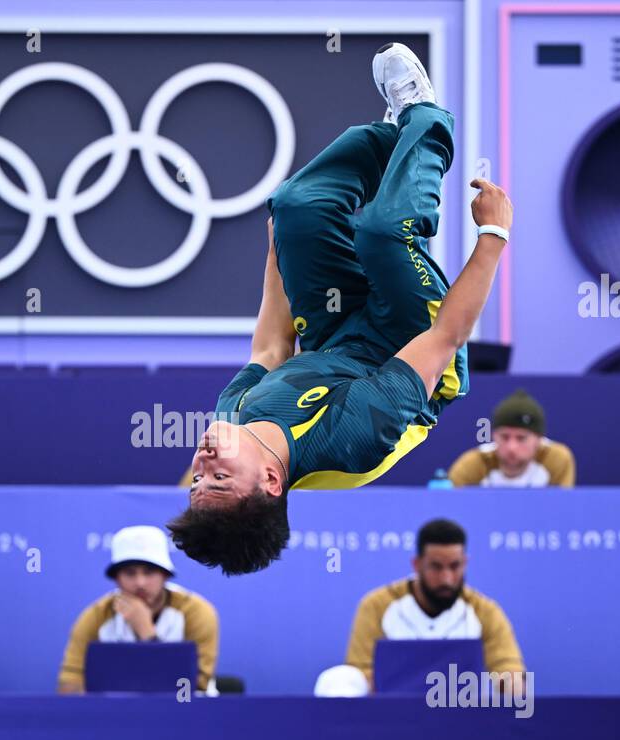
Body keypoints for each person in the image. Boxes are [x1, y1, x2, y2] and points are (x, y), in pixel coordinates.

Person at [170, 43, 511, 574]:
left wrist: (278, 245)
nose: (203, 462)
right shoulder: (348, 444)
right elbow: (445, 336)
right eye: (219, 478)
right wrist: (493, 232)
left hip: (336, 335)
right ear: (270, 481)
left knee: (294, 206)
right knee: (381, 233)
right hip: (413, 352)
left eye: (197, 478)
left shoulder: (231, 418)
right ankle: (425, 117)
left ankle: (391, 140)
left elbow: (272, 345)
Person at [344, 518, 524, 689]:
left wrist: (512, 686)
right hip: (393, 713)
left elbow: (508, 668)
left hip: (464, 714)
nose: (446, 579)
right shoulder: (377, 606)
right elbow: (359, 673)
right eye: (436, 567)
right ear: (417, 565)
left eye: (454, 566)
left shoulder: (484, 611)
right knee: (337, 679)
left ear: (465, 563)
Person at [58, 525, 218, 694]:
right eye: (129, 573)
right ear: (116, 579)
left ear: (165, 575)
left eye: (149, 572)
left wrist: (147, 633)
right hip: (113, 716)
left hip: (182, 715)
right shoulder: (95, 616)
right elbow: (69, 684)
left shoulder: (197, 612)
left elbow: (193, 688)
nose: (140, 582)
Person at [448, 389, 575, 487]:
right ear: (494, 435)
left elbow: (562, 512)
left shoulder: (556, 459)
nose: (511, 447)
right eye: (504, 437)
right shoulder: (473, 464)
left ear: (539, 439)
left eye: (521, 438)